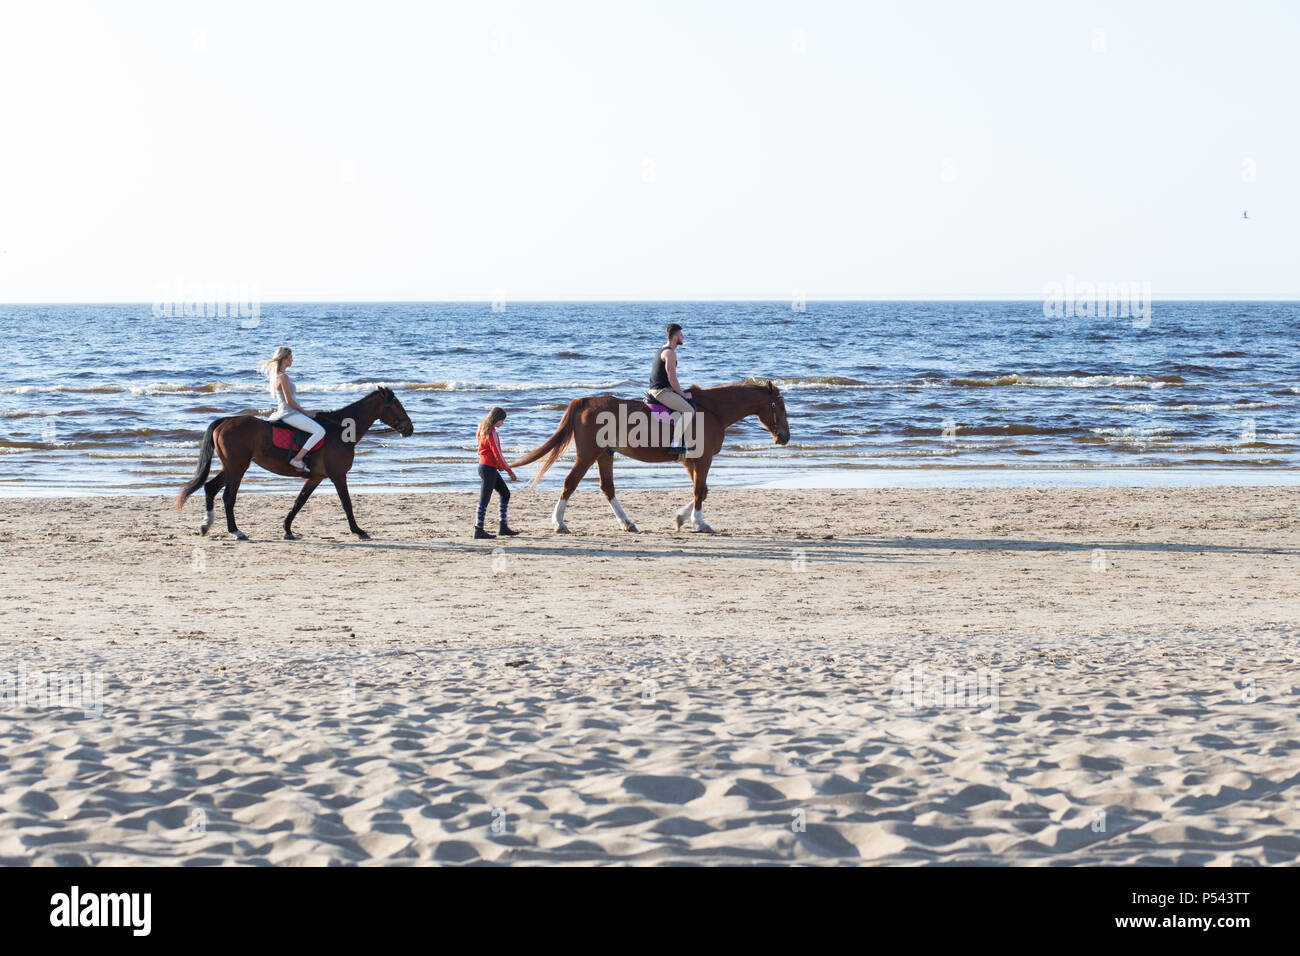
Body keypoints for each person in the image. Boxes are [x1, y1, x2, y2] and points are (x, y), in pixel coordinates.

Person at [260, 347, 325, 471]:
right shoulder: (283, 377)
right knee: (320, 431)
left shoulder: (277, 376)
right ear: (284, 359)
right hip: (289, 413)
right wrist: (305, 412)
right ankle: (297, 459)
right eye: (290, 357)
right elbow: (289, 402)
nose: (292, 360)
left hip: (284, 411)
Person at [648, 323, 692, 457]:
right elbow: (672, 379)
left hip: (659, 389)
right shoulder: (670, 353)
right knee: (689, 410)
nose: (683, 337)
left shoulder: (662, 349)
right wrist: (683, 394)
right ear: (675, 337)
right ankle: (675, 444)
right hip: (661, 392)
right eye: (680, 335)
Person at [474, 406, 518, 539]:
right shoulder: (492, 432)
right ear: (497, 419)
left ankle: (503, 527)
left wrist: (498, 465)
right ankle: (478, 530)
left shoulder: (481, 427)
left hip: (486, 467)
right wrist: (509, 471)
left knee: (505, 493)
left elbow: (486, 449)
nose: (502, 424)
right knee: (484, 499)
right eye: (502, 421)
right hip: (488, 468)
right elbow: (497, 453)